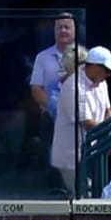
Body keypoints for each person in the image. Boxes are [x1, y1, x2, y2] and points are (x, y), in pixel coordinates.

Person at [50, 46, 111, 197]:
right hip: (72, 156)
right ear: (93, 66)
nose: (109, 74)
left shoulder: (102, 83)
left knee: (96, 195)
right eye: (106, 70)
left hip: (94, 151)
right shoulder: (73, 87)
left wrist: (110, 136)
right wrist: (110, 140)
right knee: (82, 197)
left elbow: (108, 111)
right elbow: (87, 123)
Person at [28, 12, 77, 147]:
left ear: (74, 30)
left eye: (67, 27)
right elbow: (36, 88)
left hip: (78, 119)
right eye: (59, 27)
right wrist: (55, 109)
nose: (63, 31)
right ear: (54, 31)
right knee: (50, 159)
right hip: (49, 118)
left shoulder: (84, 56)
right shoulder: (42, 57)